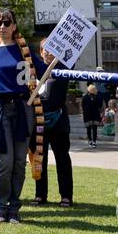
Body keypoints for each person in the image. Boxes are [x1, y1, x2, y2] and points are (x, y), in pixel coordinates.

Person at [0, 7, 47, 223]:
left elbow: (44, 69)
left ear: (14, 26)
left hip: (23, 108)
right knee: (3, 161)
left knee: (18, 162)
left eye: (7, 23)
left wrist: (61, 60)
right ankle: (0, 207)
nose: (3, 27)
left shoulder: (23, 50)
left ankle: (14, 208)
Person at [32, 38, 73, 207]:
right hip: (39, 121)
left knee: (62, 159)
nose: (48, 52)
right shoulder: (34, 71)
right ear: (40, 52)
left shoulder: (64, 68)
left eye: (51, 49)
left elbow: (72, 55)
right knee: (39, 160)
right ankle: (40, 195)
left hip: (59, 122)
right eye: (44, 49)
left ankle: (66, 196)